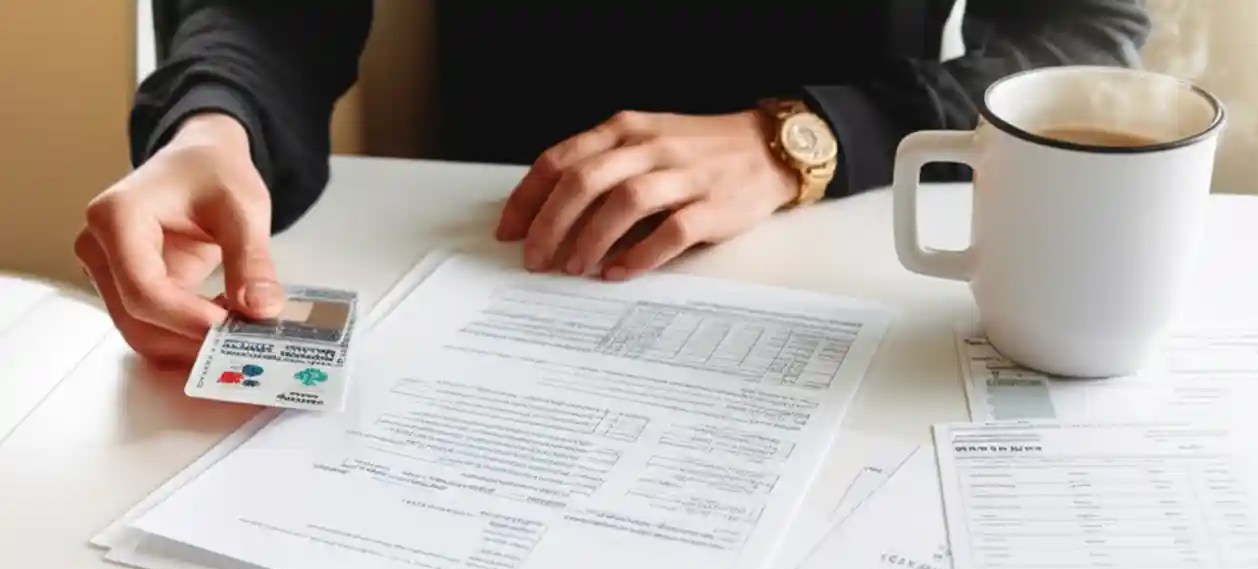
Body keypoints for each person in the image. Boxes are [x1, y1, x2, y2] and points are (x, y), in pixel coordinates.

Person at [77, 1, 1150, 365]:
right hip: (501, 247)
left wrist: (807, 136)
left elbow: (1075, 41)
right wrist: (211, 121)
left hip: (849, 252)